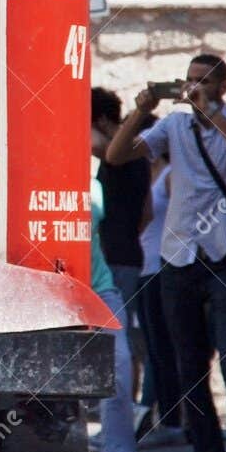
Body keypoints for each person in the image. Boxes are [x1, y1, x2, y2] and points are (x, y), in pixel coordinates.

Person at [105, 53, 226, 452]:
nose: (193, 88)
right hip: (178, 257)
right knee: (189, 366)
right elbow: (117, 156)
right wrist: (140, 110)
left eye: (203, 81)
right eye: (188, 81)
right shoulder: (173, 127)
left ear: (222, 87)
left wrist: (210, 113)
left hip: (225, 253)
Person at [81, 114, 145, 452]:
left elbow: (96, 141)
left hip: (100, 284)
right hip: (57, 284)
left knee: (119, 365)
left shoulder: (92, 180)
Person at [91, 87, 151, 399]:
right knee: (122, 341)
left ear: (99, 121)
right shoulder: (135, 153)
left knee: (116, 343)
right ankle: (126, 409)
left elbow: (98, 145)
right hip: (128, 252)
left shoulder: (119, 153)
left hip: (117, 256)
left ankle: (123, 411)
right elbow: (148, 212)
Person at [130, 165, 184, 446]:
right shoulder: (148, 175)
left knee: (162, 348)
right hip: (144, 268)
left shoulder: (170, 174)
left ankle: (169, 419)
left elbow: (182, 215)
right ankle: (158, 415)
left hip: (161, 266)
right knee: (152, 347)